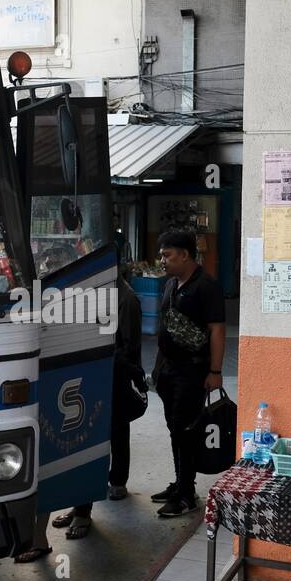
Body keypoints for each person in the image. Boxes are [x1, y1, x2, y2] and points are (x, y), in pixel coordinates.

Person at [49, 275, 143, 540]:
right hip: (91, 375)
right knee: (88, 438)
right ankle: (80, 502)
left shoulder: (126, 298)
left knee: (114, 432)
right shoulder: (93, 294)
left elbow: (129, 346)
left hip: (114, 377)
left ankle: (111, 486)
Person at [150, 230, 226, 518]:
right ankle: (181, 483)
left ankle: (186, 495)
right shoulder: (171, 284)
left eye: (167, 255)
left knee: (185, 430)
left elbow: (217, 330)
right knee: (174, 428)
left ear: (184, 254)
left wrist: (215, 371)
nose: (162, 260)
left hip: (192, 371)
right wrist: (159, 369)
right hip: (169, 371)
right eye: (162, 255)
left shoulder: (206, 286)